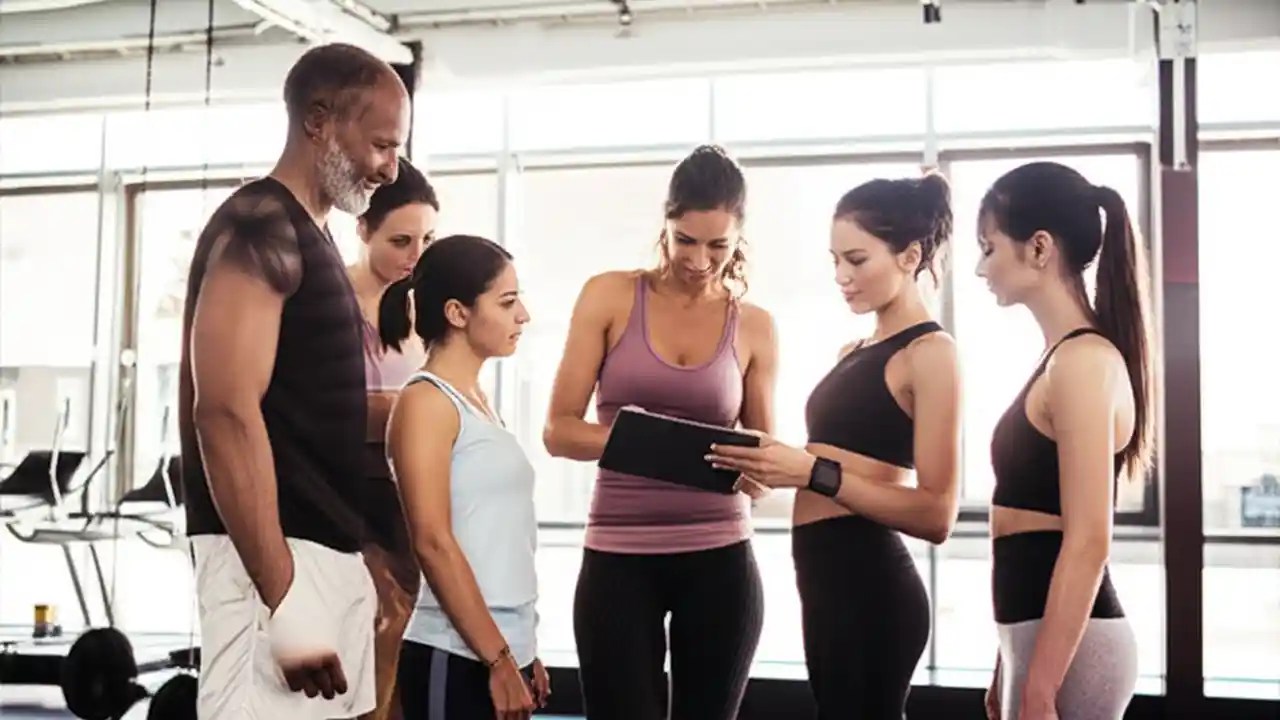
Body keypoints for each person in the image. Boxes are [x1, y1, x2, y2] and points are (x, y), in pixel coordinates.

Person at [178, 42, 409, 719]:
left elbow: (307, 414)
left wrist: (356, 551)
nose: (390, 169)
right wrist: (285, 595)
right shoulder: (260, 226)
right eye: (381, 145)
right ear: (319, 122)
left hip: (319, 558)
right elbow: (222, 412)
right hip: (272, 569)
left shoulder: (315, 237)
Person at [706, 173, 963, 719]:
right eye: (835, 262)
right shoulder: (855, 349)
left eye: (857, 259)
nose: (842, 277)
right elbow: (833, 463)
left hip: (871, 589)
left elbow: (937, 514)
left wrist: (810, 471)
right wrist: (767, 460)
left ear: (910, 255)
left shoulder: (931, 352)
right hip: (826, 585)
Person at [543, 144, 778, 720]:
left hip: (720, 558)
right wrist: (663, 445)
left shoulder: (755, 326)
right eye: (685, 239)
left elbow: (763, 471)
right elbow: (560, 432)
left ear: (738, 239)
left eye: (718, 245)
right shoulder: (611, 294)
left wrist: (755, 468)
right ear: (665, 226)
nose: (700, 259)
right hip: (619, 556)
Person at [972, 161, 1150, 720]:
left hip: (1074, 653)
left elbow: (1089, 539)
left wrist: (1039, 688)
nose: (980, 268)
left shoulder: (1082, 362)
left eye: (989, 247)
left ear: (1039, 247)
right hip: (1032, 636)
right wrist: (1006, 663)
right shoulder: (1059, 360)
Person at [382, 234, 549, 720]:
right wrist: (498, 658)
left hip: (498, 650)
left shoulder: (477, 402)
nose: (524, 315)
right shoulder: (425, 403)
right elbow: (432, 541)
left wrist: (521, 650)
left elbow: (496, 542)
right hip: (453, 654)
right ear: (458, 313)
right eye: (507, 301)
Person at [346, 157, 439, 720]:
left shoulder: (416, 310)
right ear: (362, 229)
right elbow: (316, 416)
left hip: (411, 501)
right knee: (368, 646)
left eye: (428, 239)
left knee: (406, 659)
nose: (417, 256)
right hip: (348, 506)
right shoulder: (327, 303)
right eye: (402, 240)